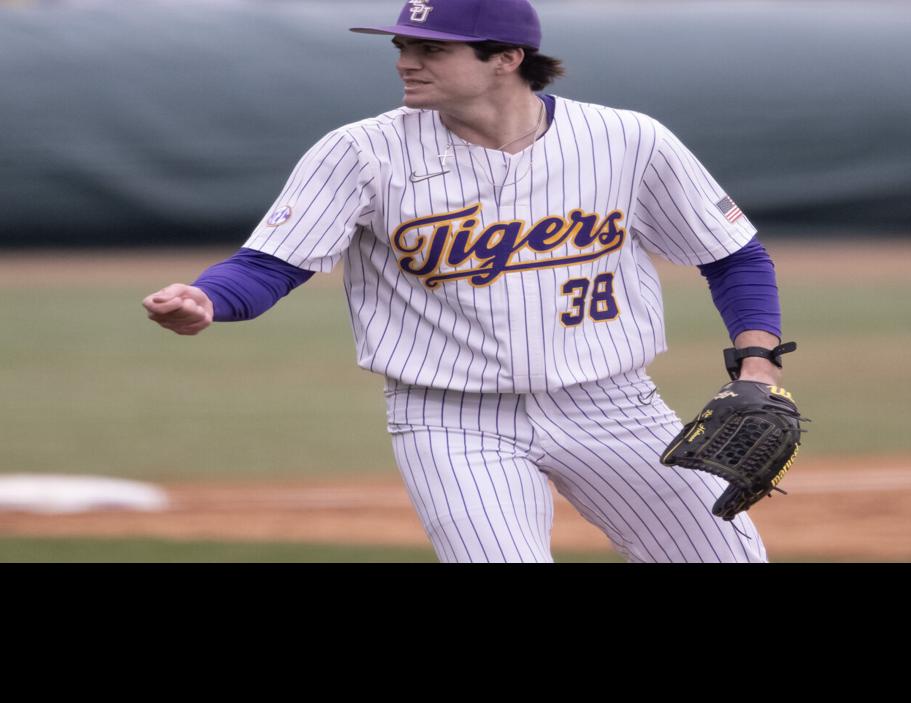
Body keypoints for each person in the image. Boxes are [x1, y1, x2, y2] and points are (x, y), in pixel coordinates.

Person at [141, 0, 793, 563]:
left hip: (615, 405)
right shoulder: (362, 151)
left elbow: (733, 254)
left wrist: (757, 366)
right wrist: (207, 298)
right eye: (402, 45)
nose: (405, 61)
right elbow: (269, 264)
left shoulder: (626, 140)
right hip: (451, 421)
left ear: (507, 57)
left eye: (431, 48)